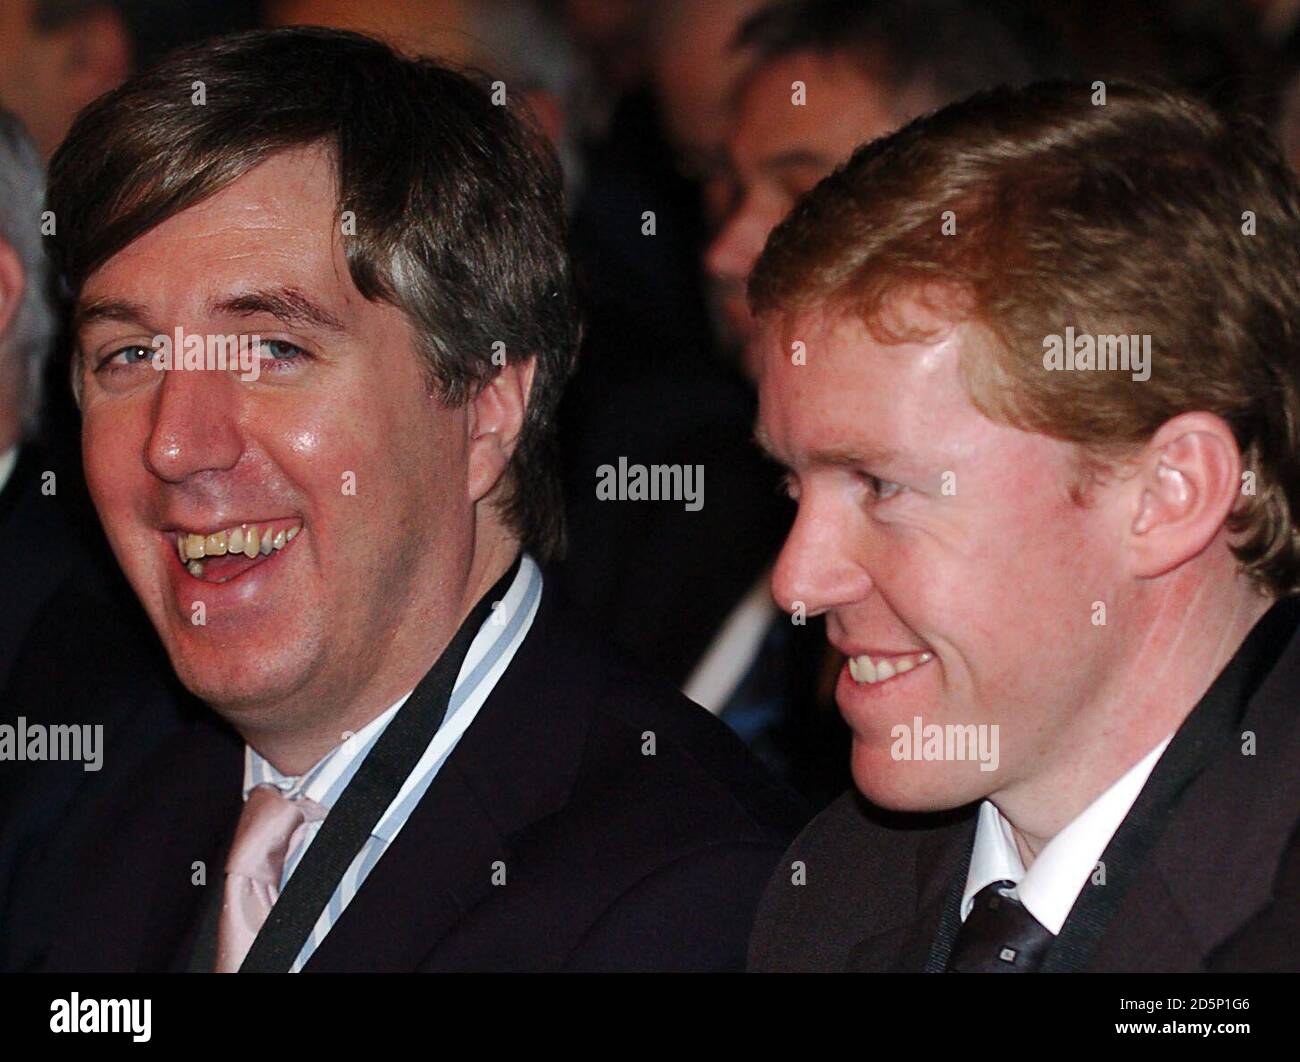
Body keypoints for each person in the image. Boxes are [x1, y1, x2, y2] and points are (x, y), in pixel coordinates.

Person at [30, 26, 803, 973]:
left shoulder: (685, 896)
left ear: (484, 408)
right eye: (131, 356)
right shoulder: (92, 809)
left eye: (276, 350)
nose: (177, 443)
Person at [746, 80, 1300, 972]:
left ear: (1168, 493)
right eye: (792, 484)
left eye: (881, 486)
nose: (798, 582)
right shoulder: (838, 889)